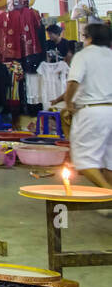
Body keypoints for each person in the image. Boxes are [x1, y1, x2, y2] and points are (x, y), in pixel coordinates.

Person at [54, 23, 112, 190]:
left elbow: (73, 82)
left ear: (90, 38)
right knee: (109, 162)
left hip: (92, 112)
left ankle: (108, 194)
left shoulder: (83, 56)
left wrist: (69, 104)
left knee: (83, 160)